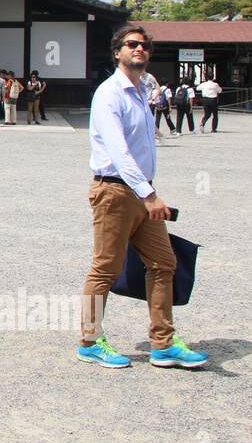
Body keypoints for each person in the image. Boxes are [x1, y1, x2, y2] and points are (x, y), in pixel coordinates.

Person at [77, 24, 208, 370]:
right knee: (105, 267)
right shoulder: (110, 93)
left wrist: (147, 192)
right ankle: (89, 341)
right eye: (132, 44)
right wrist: (149, 195)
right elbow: (118, 150)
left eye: (145, 45)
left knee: (164, 263)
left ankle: (163, 343)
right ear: (117, 52)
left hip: (142, 191)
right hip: (114, 191)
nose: (140, 49)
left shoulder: (141, 92)